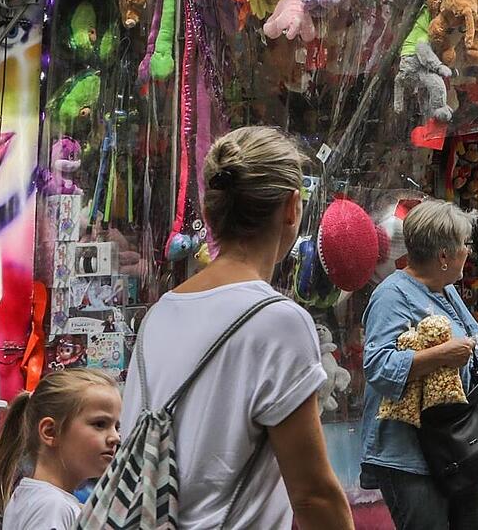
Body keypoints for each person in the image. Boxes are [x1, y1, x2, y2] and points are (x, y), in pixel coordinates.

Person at [122, 127, 353, 530]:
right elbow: (314, 495)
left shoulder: (160, 314)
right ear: (291, 208)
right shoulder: (277, 320)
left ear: (210, 211)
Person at [360, 198, 478, 530]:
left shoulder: (445, 290)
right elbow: (379, 366)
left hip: (464, 443)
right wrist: (443, 356)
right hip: (411, 455)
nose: (468, 251)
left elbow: (473, 344)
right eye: (463, 245)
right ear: (443, 256)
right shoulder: (391, 295)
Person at [0, 369, 122, 529]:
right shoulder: (52, 507)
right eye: (100, 424)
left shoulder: (40, 499)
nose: (116, 437)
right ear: (50, 431)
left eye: (116, 427)